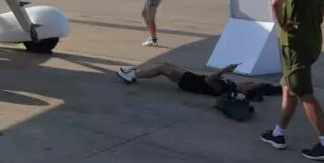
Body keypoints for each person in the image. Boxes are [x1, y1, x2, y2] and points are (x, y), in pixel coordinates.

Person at [260, 0, 324, 161]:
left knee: (304, 93)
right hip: (313, 43)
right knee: (289, 88)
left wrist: (283, 24)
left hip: (296, 46)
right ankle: (278, 134)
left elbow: (275, 2)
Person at [116, 62, 281, 99]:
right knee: (167, 65)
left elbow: (210, 80)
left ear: (245, 91)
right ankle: (136, 72)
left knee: (162, 69)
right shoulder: (230, 87)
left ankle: (133, 75)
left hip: (189, 83)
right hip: (192, 78)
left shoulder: (226, 90)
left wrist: (223, 70)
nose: (247, 82)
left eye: (249, 85)